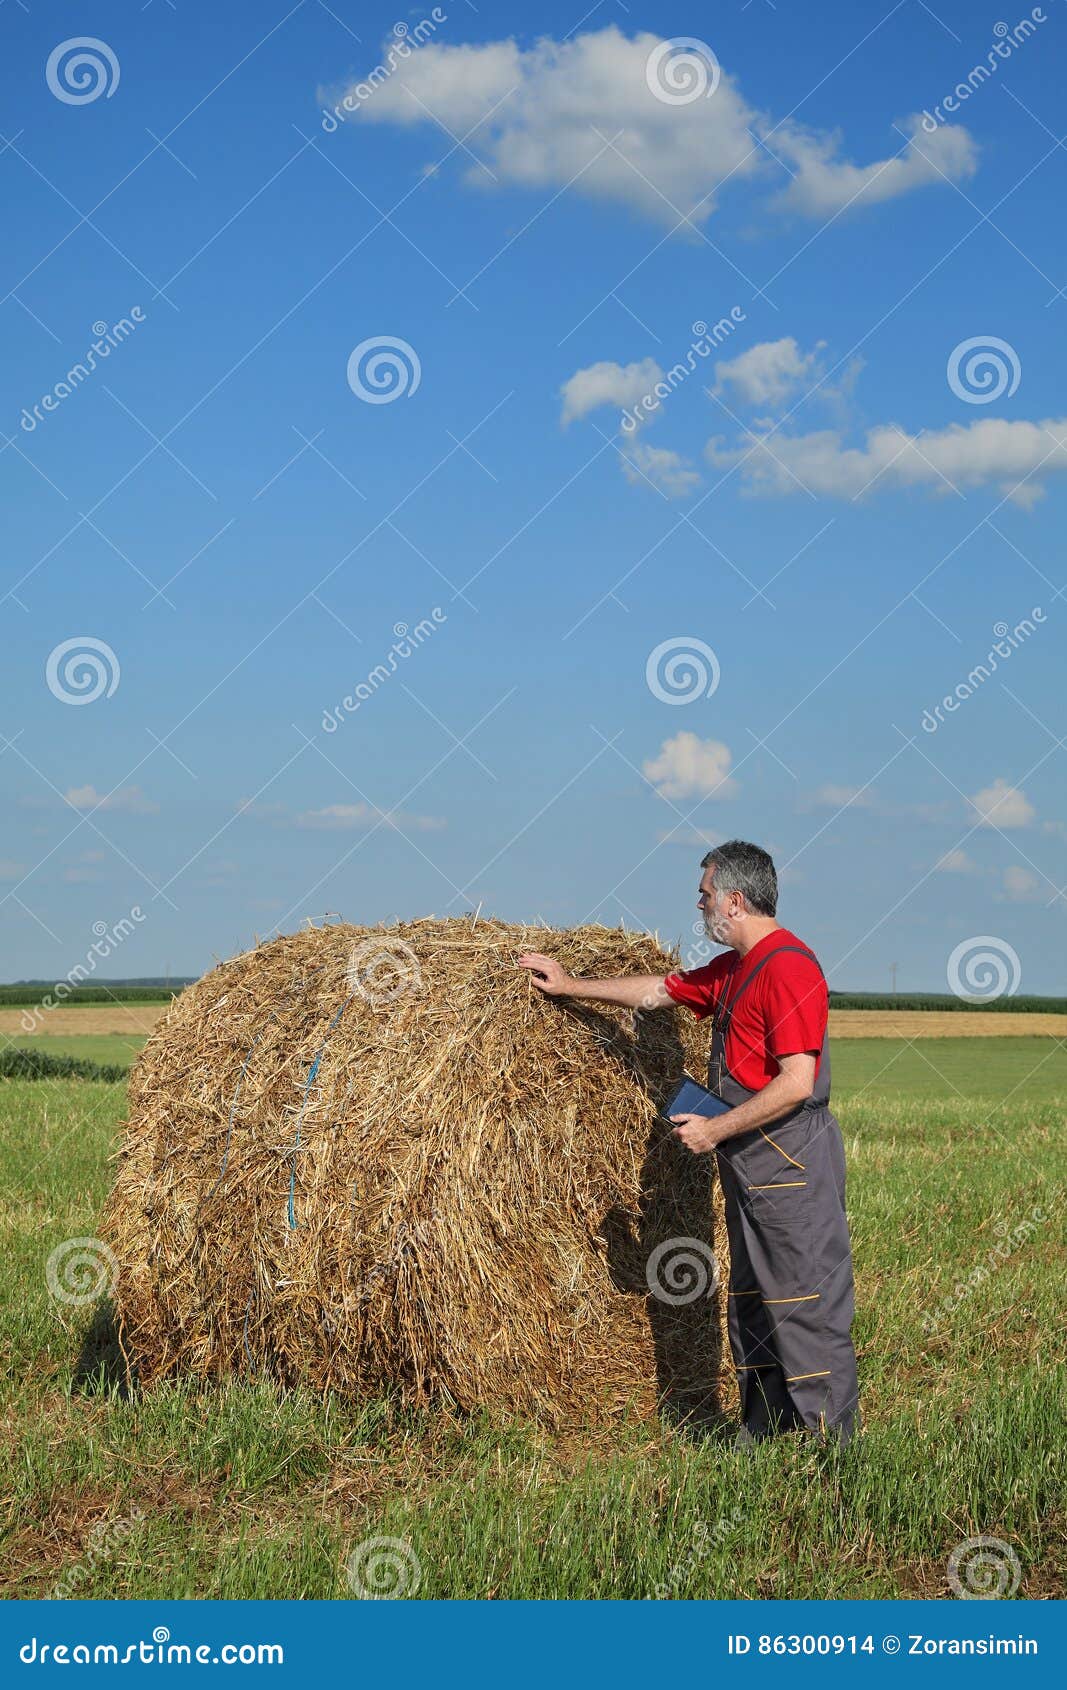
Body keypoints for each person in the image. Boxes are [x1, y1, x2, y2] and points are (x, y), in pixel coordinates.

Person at [517, 840, 860, 1447]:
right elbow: (660, 990)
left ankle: (832, 1454)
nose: (697, 904)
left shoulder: (789, 967)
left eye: (704, 894)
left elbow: (797, 1081)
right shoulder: (736, 967)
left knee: (805, 1298)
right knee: (754, 1297)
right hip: (750, 1158)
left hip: (788, 1155)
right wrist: (569, 986)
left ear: (734, 899)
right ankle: (766, 1433)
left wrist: (715, 1129)